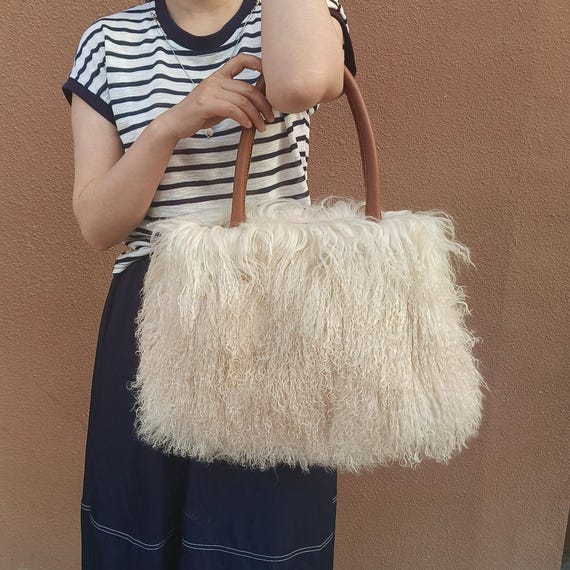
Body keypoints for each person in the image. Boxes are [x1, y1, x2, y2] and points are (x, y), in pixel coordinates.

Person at [61, 0, 357, 567]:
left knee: (265, 536)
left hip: (276, 323)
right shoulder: (108, 42)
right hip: (154, 324)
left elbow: (302, 83)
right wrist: (173, 123)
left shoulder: (288, 15)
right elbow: (97, 224)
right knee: (143, 535)